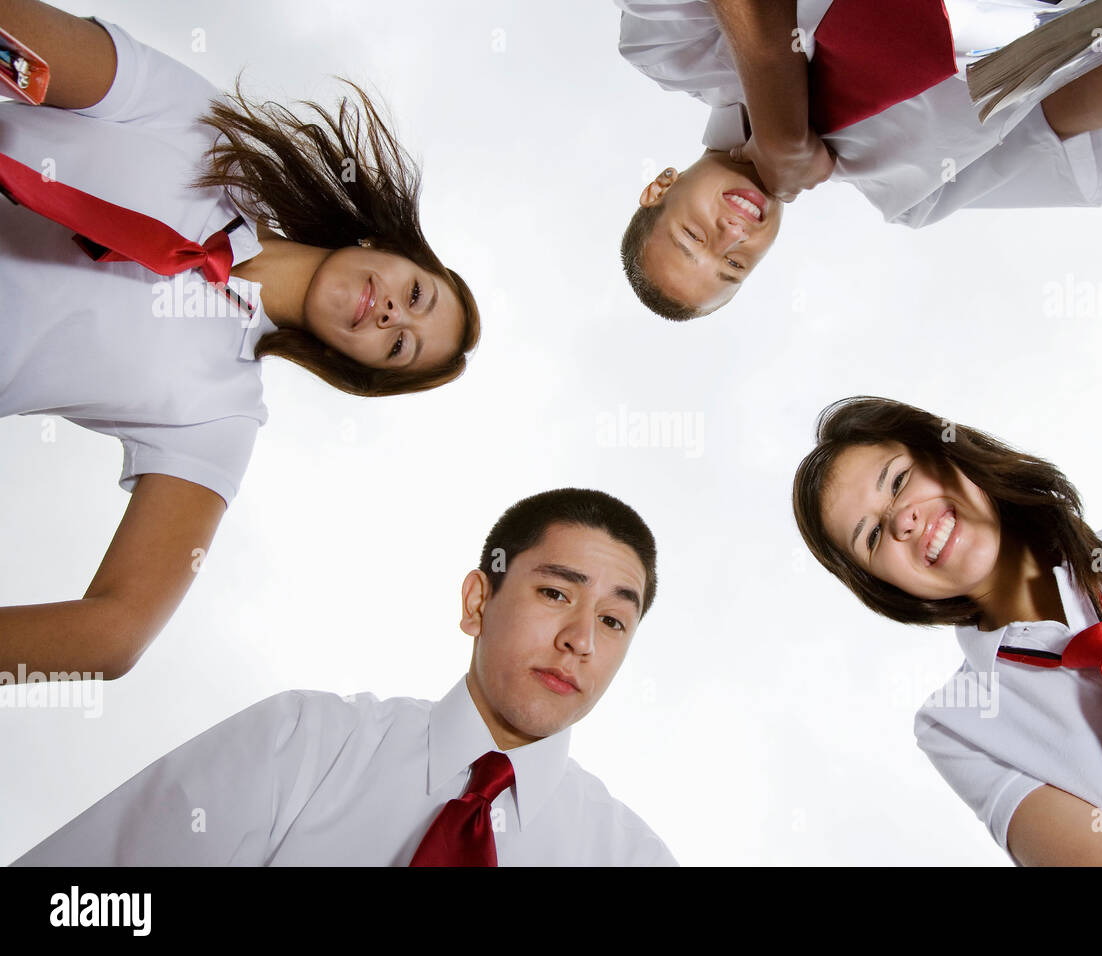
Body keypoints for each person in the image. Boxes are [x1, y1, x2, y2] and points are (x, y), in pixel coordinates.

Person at [0, 1, 481, 679]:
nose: (391, 316)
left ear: (360, 368)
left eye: (400, 344)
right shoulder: (204, 132)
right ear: (388, 248)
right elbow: (18, 38)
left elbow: (113, 636)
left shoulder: (218, 417)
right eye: (416, 295)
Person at [12, 488, 676, 866]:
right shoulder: (302, 743)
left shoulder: (632, 859)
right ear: (478, 602)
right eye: (557, 594)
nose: (580, 641)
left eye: (615, 623)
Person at [791, 396, 1102, 866]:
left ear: (949, 455)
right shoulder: (960, 727)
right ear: (883, 585)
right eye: (874, 536)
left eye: (899, 480)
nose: (903, 519)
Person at [615, 0, 1102, 319]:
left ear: (661, 187)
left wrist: (783, 131)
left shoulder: (673, 52)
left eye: (693, 236)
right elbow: (1084, 97)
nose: (730, 236)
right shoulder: (914, 196)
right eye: (734, 264)